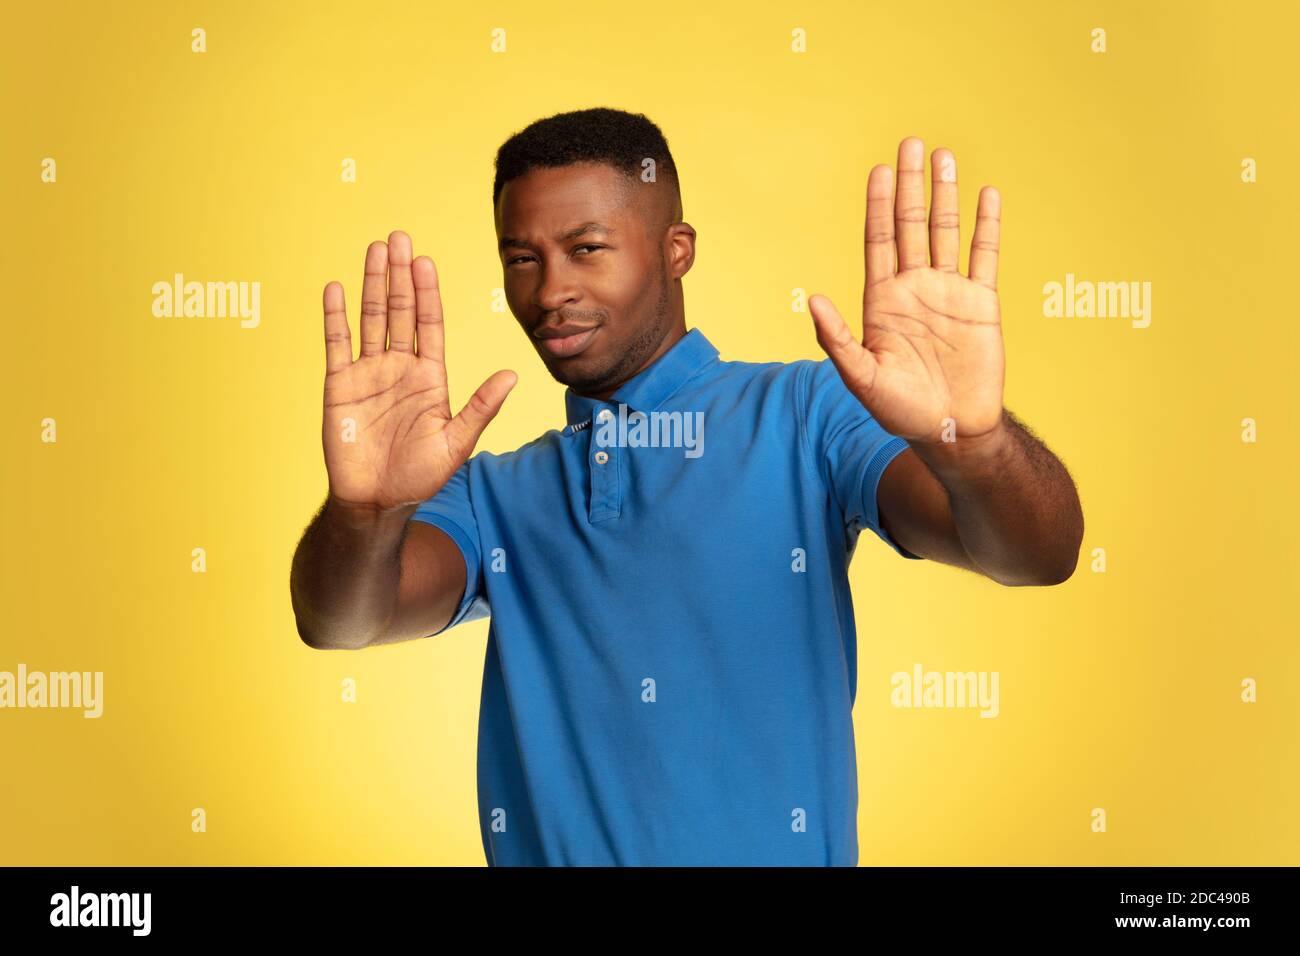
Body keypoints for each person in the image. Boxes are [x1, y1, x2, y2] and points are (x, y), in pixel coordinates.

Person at [289, 107, 1084, 866]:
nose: (548, 290)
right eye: (521, 258)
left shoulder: (806, 414)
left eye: (587, 248)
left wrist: (974, 445)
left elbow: (1035, 553)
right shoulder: (491, 493)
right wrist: (368, 512)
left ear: (677, 249)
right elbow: (343, 622)